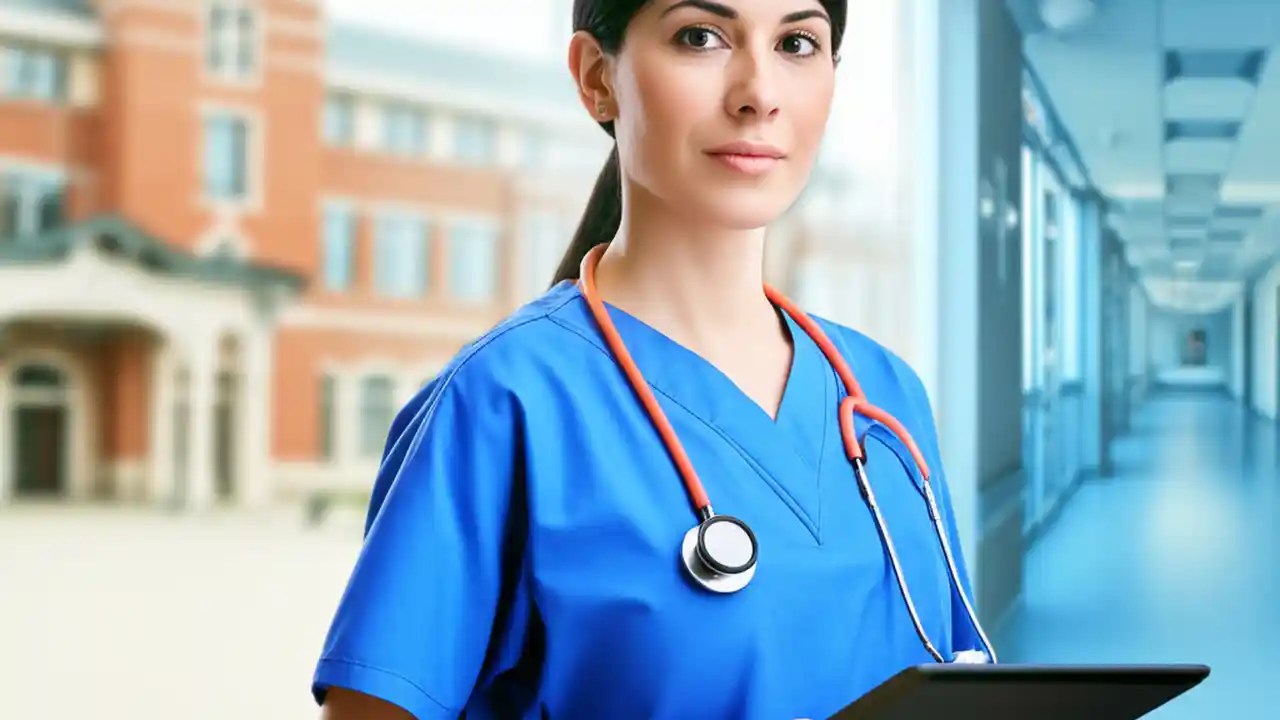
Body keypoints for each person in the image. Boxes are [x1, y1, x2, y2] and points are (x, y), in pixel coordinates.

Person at [313, 1, 992, 718]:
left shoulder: (887, 400)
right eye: (700, 37)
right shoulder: (501, 404)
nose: (759, 93)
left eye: (797, 43)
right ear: (597, 78)